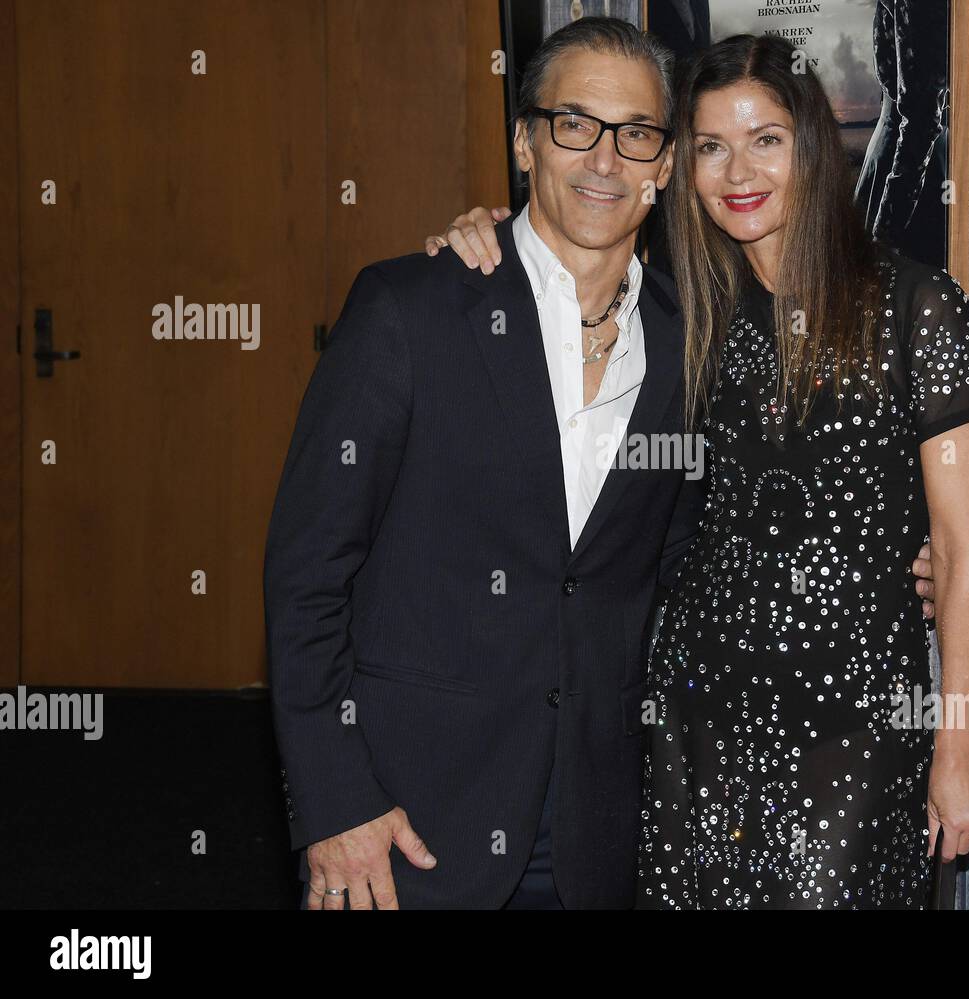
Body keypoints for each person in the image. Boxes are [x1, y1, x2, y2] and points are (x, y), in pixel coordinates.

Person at [428, 31, 969, 908]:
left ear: (808, 146)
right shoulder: (685, 312)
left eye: (765, 139)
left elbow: (962, 551)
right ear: (680, 170)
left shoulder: (914, 306)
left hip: (855, 721)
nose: (740, 169)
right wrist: (483, 235)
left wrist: (957, 748)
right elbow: (555, 275)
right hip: (695, 710)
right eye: (710, 146)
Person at [265, 17, 698, 909]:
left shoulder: (691, 345)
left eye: (636, 134)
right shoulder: (411, 309)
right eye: (573, 123)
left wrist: (916, 561)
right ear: (524, 142)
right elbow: (307, 572)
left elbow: (703, 555)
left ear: (664, 163)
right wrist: (335, 799)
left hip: (595, 831)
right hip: (401, 825)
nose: (604, 160)